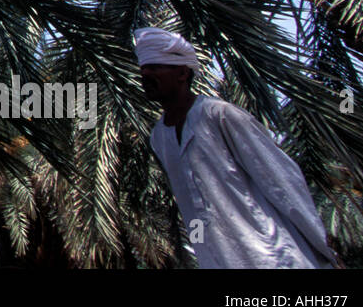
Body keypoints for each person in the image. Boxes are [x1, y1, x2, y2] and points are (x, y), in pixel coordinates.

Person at [134, 27, 342, 269]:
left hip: (272, 257)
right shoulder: (159, 137)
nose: (146, 75)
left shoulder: (221, 116)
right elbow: (189, 206)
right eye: (143, 69)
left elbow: (281, 181)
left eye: (155, 67)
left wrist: (322, 248)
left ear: (182, 73)